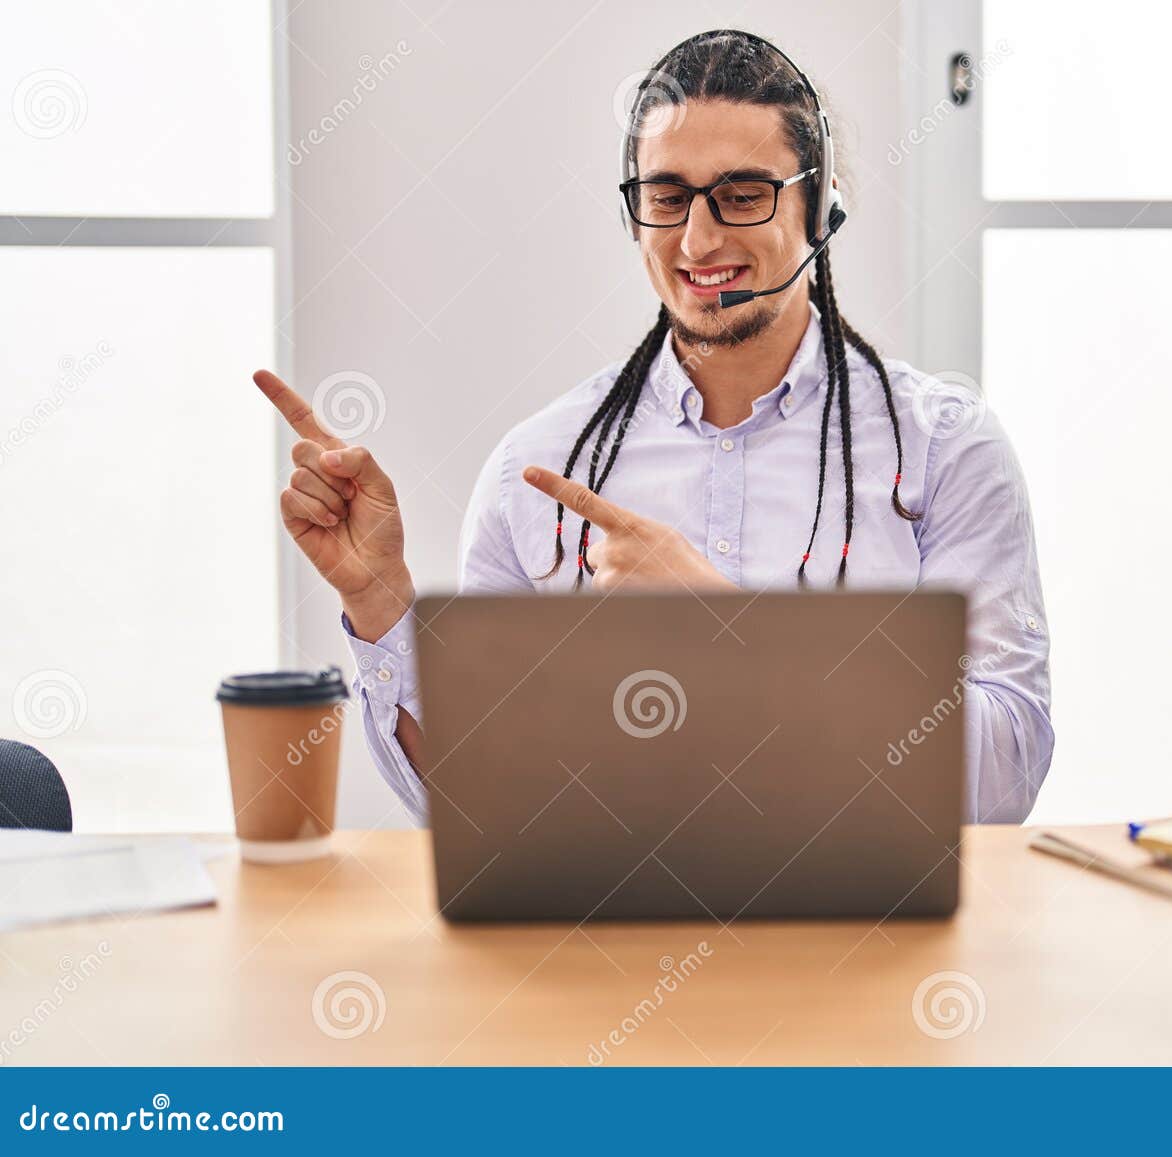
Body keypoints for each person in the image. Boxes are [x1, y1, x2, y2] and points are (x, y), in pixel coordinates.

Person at [254, 29, 1052, 825]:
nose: (699, 241)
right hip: (605, 910)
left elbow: (1003, 780)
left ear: (821, 207)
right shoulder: (535, 468)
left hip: (864, 909)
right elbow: (481, 800)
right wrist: (380, 599)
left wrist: (729, 630)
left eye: (744, 194)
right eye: (668, 198)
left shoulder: (947, 449)